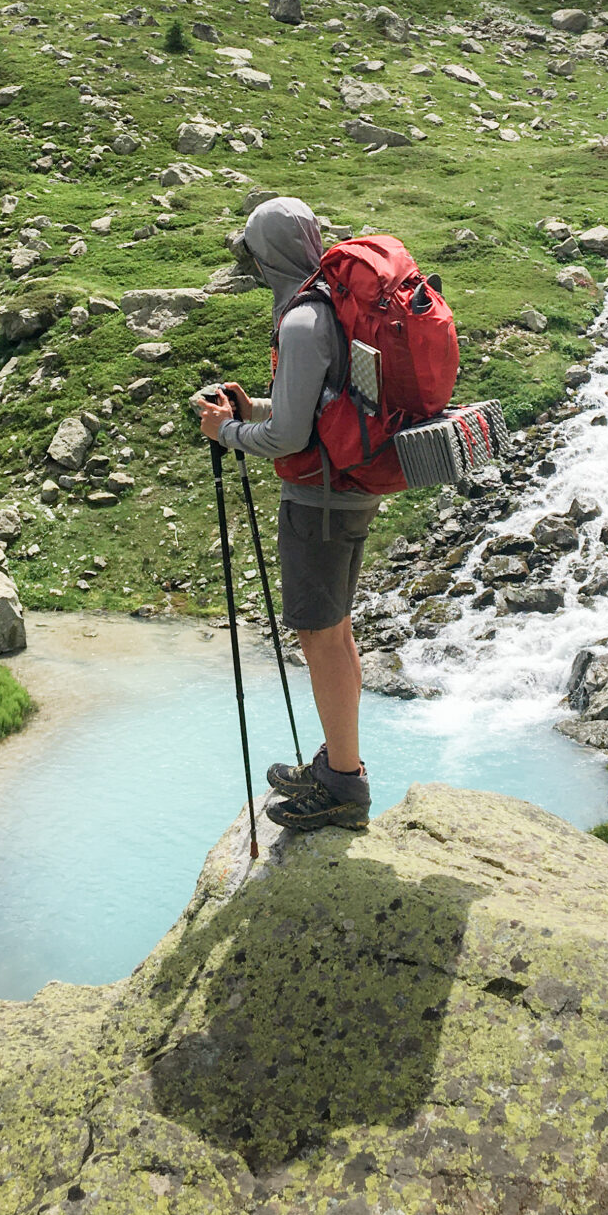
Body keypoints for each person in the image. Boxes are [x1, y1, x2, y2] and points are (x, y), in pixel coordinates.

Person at [198, 196, 376, 832]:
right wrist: (255, 411)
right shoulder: (330, 301)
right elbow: (319, 410)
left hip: (319, 499)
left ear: (267, 254)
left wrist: (228, 435)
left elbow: (294, 440)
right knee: (337, 631)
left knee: (319, 635)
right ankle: (338, 760)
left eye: (251, 252)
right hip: (348, 489)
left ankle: (342, 787)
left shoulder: (302, 318)